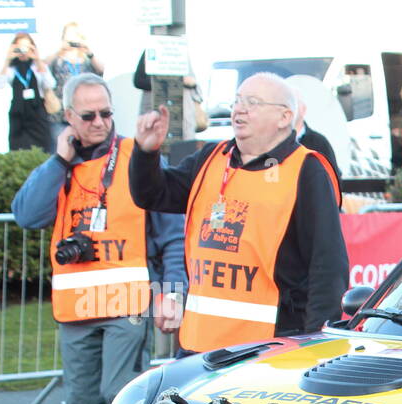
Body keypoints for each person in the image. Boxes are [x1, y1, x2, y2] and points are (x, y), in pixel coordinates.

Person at [11, 74, 185, 404]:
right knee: (81, 403)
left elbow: (173, 236)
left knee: (118, 396)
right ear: (69, 118)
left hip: (128, 305)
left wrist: (172, 294)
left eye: (106, 113)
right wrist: (59, 160)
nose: (99, 122)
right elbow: (27, 215)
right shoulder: (62, 166)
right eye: (88, 116)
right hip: (77, 308)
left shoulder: (135, 157)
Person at [129, 72, 347, 353]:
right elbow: (153, 194)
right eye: (237, 101)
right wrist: (145, 154)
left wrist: (314, 346)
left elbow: (327, 266)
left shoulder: (306, 170)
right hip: (198, 346)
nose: (239, 109)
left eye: (253, 102)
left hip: (267, 350)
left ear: (284, 117)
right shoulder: (211, 158)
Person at [0, 32, 54, 153]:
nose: (23, 51)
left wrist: (38, 59)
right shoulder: (12, 68)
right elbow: (0, 83)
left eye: (27, 47)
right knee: (17, 146)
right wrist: (8, 59)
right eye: (20, 47)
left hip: (37, 110)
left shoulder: (37, 66)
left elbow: (50, 84)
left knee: (42, 145)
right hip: (18, 111)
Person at [47, 23, 105, 136]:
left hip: (84, 112)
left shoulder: (86, 58)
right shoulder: (57, 59)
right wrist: (59, 50)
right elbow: (42, 67)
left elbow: (101, 69)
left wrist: (89, 52)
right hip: (60, 112)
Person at [287, 80, 342, 189]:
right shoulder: (272, 142)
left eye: (293, 104)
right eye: (284, 104)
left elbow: (334, 180)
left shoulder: (319, 143)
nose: (288, 109)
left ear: (303, 110)